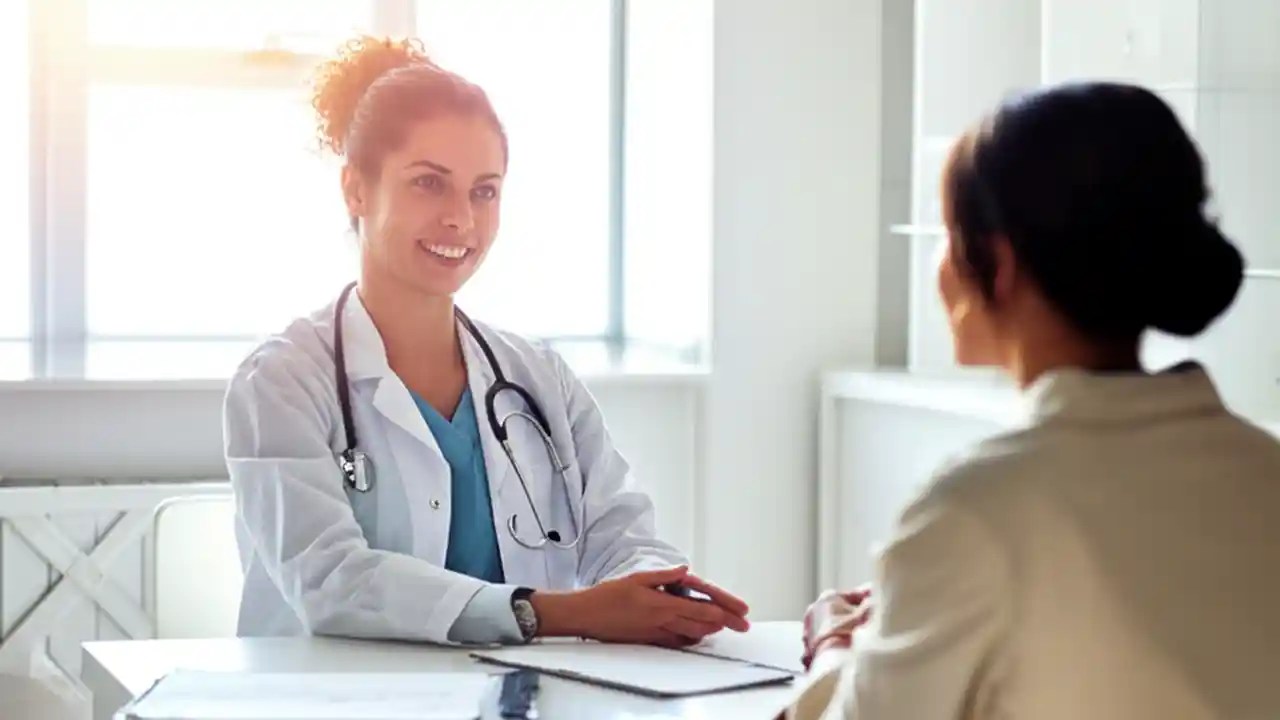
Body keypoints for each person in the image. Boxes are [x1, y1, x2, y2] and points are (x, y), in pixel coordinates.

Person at [222, 35, 748, 647]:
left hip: (517, 699)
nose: (461, 220)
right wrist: (560, 613)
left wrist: (656, 594)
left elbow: (621, 534)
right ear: (356, 190)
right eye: (428, 184)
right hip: (343, 700)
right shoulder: (283, 382)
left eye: (484, 190)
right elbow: (332, 581)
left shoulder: (538, 377)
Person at [786, 82, 1280, 719]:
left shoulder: (975, 512)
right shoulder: (1265, 471)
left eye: (947, 231)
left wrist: (834, 645)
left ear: (999, 262)